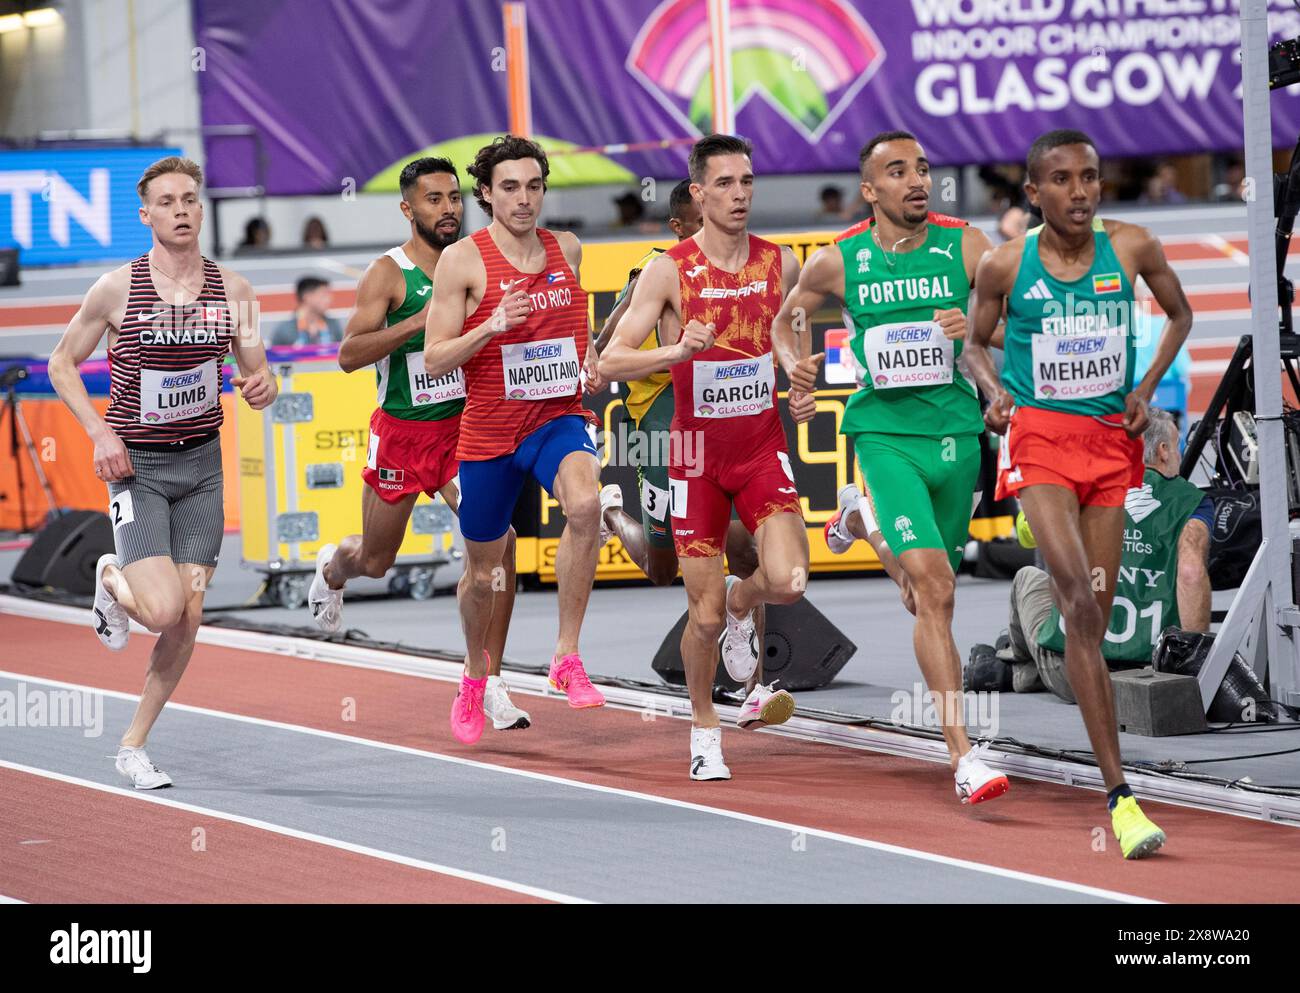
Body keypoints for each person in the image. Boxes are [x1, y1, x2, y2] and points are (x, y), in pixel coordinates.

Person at [963, 128, 1194, 859]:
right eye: (1061, 180)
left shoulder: (1131, 247)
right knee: (1080, 598)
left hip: (1109, 447)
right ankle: (1123, 795)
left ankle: (1108, 775)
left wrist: (1147, 390)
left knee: (1089, 622)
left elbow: (1180, 313)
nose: (1080, 191)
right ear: (1034, 192)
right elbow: (974, 343)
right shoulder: (1006, 263)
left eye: (1090, 177)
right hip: (1039, 445)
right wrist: (996, 396)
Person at [775, 129, 1008, 805]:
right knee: (936, 588)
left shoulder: (967, 245)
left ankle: (859, 516)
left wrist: (980, 343)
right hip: (883, 434)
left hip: (956, 438)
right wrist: (794, 365)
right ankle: (962, 754)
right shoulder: (839, 259)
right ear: (869, 190)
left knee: (921, 590)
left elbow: (1007, 321)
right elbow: (787, 318)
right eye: (898, 171)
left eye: (924, 169)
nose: (917, 180)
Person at [47, 156, 278, 788]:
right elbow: (61, 364)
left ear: (202, 210)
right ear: (145, 215)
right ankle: (109, 572)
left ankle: (133, 744)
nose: (182, 210)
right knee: (159, 612)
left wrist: (264, 385)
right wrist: (99, 433)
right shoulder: (116, 289)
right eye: (168, 201)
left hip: (202, 468)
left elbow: (258, 365)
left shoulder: (237, 291)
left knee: (190, 617)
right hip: (138, 469)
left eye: (191, 200)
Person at [600, 134, 810, 781]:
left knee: (788, 578)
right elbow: (608, 360)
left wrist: (798, 382)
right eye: (724, 183)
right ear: (698, 192)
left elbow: (790, 339)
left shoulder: (783, 264)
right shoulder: (669, 270)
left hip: (758, 446)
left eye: (747, 181)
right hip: (692, 457)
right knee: (701, 611)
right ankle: (704, 729)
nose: (739, 193)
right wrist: (675, 353)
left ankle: (745, 607)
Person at [307, 157, 528, 732]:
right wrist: (420, 323)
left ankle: (489, 679)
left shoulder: (480, 258)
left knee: (499, 545)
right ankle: (332, 568)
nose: (448, 208)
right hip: (404, 433)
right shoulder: (390, 273)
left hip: (467, 430)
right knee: (376, 562)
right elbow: (349, 356)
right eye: (434, 199)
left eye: (454, 197)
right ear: (409, 209)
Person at [424, 135, 607, 744]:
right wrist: (492, 326)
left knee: (585, 506)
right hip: (491, 432)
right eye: (510, 187)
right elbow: (432, 359)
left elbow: (572, 330)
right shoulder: (463, 261)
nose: (524, 199)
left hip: (556, 418)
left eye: (533, 186)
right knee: (483, 574)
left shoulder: (568, 249)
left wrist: (592, 356)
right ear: (485, 193)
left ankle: (566, 656)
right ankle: (475, 675)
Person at [976, 409, 1212, 700]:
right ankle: (1019, 667)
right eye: (1177, 446)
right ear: (1162, 451)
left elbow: (1033, 534)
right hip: (1149, 680)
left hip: (1075, 673)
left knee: (1028, 577)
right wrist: (1196, 673)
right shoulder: (1192, 501)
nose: (1178, 454)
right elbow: (1190, 572)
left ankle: (1020, 666)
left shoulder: (1084, 484)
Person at [269, 276, 343, 346]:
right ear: (307, 296)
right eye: (324, 295)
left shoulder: (333, 325)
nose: (329, 299)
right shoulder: (284, 330)